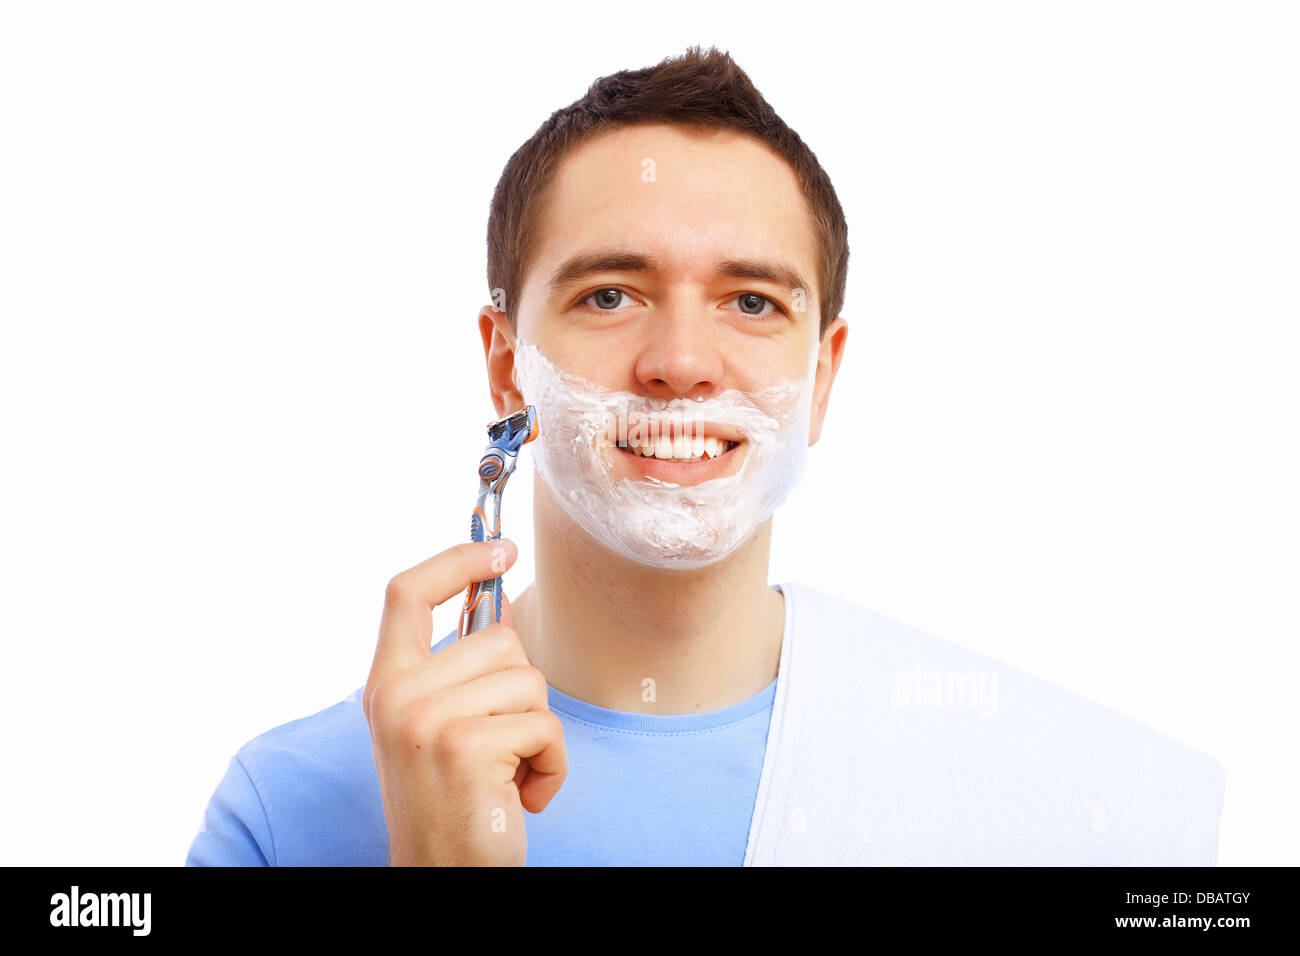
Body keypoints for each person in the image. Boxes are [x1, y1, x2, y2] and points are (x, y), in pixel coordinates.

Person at [186, 45, 1225, 867]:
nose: (681, 361)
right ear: (507, 365)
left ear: (822, 375)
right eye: (609, 294)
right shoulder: (294, 807)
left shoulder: (1072, 802)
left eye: (750, 301)